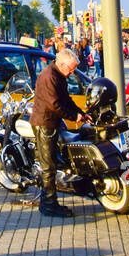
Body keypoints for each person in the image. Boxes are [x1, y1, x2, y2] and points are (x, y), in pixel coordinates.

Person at [29, 47, 86, 218]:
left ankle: (48, 203)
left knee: (51, 163)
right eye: (71, 69)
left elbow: (65, 98)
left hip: (50, 122)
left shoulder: (58, 75)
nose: (72, 72)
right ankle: (49, 205)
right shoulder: (49, 77)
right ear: (61, 64)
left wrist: (79, 112)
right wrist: (73, 116)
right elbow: (55, 105)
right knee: (49, 166)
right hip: (45, 123)